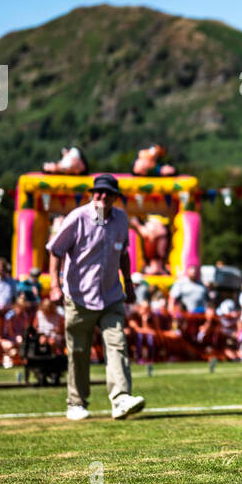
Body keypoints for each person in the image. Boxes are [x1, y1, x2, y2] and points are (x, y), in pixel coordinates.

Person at [46, 173, 146, 421]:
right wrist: (54, 285)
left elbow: (123, 253)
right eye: (97, 192)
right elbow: (55, 250)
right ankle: (76, 403)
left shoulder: (121, 219)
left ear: (114, 197)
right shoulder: (78, 217)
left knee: (117, 345)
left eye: (107, 193)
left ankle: (121, 399)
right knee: (79, 352)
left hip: (111, 295)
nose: (101, 196)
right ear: (93, 194)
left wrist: (128, 283)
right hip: (79, 296)